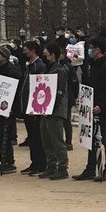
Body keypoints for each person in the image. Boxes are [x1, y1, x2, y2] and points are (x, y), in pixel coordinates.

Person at [75, 37, 106, 182]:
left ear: (98, 49)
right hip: (90, 107)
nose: (89, 51)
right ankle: (90, 168)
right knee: (91, 139)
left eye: (92, 48)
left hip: (102, 109)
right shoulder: (92, 66)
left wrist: (101, 105)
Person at [39, 42, 71, 180]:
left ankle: (62, 167)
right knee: (47, 140)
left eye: (46, 53)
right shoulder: (47, 69)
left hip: (55, 110)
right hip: (44, 109)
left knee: (57, 140)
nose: (44, 55)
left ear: (53, 55)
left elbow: (59, 92)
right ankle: (51, 166)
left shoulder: (60, 70)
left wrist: (50, 107)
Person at [0, 46, 22, 173]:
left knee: (5, 136)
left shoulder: (12, 70)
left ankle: (9, 161)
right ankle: (3, 159)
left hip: (7, 107)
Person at [19, 41, 49, 176]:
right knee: (32, 137)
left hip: (35, 108)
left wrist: (35, 106)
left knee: (38, 137)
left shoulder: (40, 66)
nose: (24, 52)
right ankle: (34, 162)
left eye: (26, 50)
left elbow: (40, 88)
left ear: (33, 51)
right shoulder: (29, 66)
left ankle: (41, 164)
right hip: (27, 107)